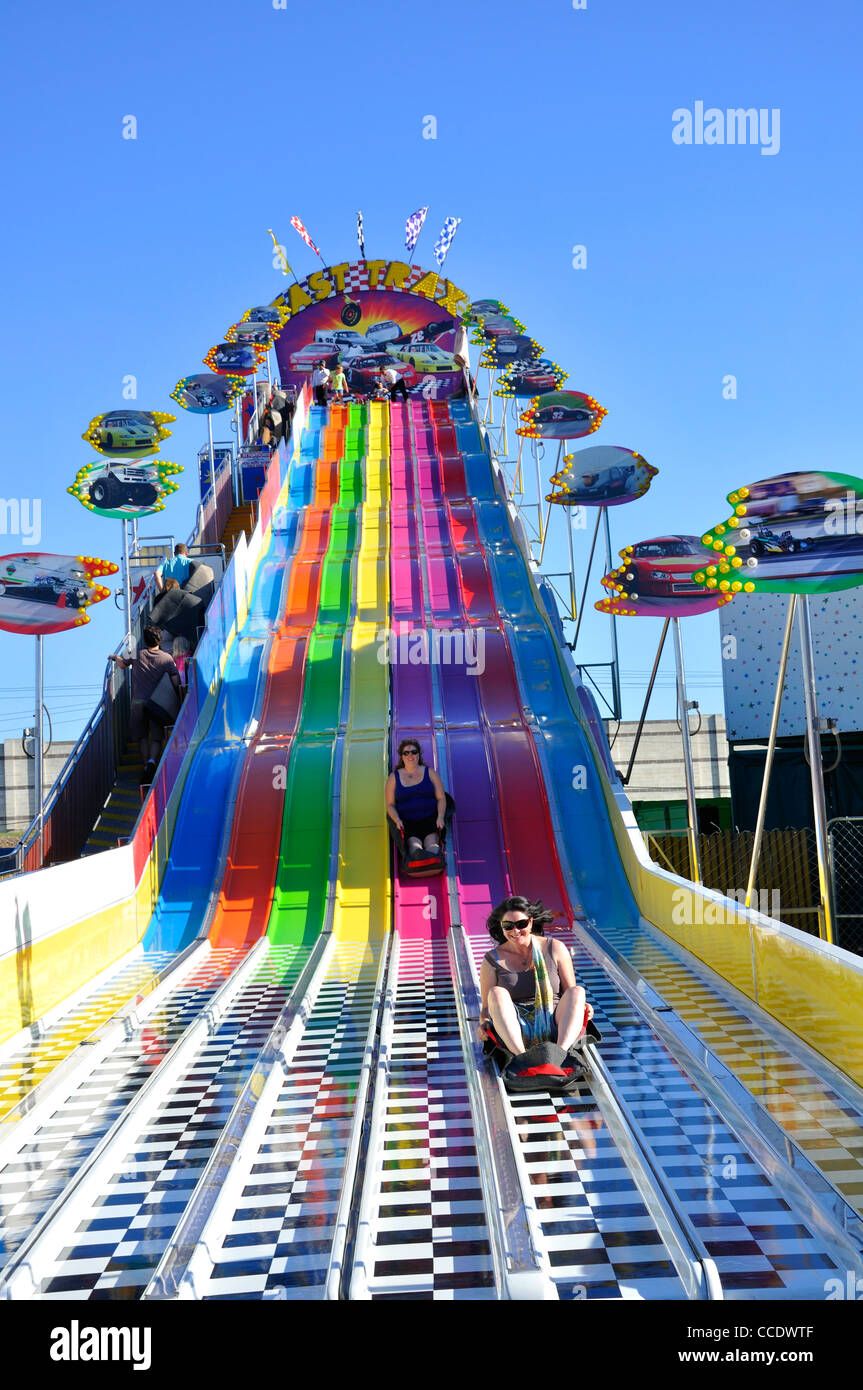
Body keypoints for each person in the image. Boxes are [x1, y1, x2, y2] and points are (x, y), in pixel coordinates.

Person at [478, 897, 593, 1056]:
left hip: (554, 1021)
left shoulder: (555, 948)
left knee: (578, 991)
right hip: (514, 1027)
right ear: (501, 927)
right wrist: (484, 1023)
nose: (515, 931)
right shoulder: (491, 959)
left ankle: (560, 1053)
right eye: (508, 926)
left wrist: (583, 1006)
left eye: (521, 924)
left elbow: (570, 993)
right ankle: (521, 1057)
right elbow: (485, 1008)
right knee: (497, 993)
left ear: (531, 922)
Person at [108, 625, 182, 784]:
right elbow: (176, 681)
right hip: (158, 703)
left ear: (145, 639)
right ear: (159, 640)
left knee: (142, 736)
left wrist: (115, 657)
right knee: (156, 737)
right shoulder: (167, 658)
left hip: (138, 703)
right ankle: (152, 761)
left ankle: (145, 766)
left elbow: (122, 664)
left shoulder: (137, 655)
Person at [385, 739, 447, 856]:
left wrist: (440, 817)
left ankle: (434, 861)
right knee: (415, 846)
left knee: (432, 844)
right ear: (402, 757)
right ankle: (419, 863)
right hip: (407, 822)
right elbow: (390, 804)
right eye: (406, 753)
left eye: (414, 752)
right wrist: (397, 820)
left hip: (429, 818)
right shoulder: (394, 777)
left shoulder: (430, 773)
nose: (410, 755)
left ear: (418, 755)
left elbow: (441, 798)